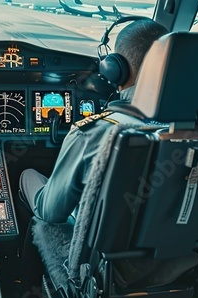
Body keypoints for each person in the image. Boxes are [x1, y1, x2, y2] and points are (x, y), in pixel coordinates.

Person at [20, 18, 169, 224]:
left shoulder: (92, 134)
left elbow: (51, 213)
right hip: (188, 254)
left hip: (97, 255)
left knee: (28, 177)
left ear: (116, 69)